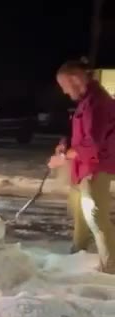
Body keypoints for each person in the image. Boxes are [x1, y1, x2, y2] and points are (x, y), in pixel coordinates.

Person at [48, 60, 115, 273]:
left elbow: (92, 144)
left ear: (76, 79)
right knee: (80, 214)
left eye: (65, 85)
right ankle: (77, 255)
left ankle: (110, 267)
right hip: (82, 168)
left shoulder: (97, 102)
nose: (65, 91)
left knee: (95, 216)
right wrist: (65, 143)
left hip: (95, 167)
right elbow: (81, 134)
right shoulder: (87, 101)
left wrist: (62, 158)